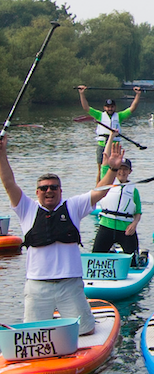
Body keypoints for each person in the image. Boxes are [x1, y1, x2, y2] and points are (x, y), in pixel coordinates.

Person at [0, 136, 123, 335]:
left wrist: (113, 169)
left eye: (53, 187)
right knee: (33, 333)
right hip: (37, 286)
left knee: (85, 331)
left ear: (60, 190)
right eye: (44, 188)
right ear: (37, 192)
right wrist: (2, 153)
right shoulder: (26, 209)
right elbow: (8, 182)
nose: (49, 191)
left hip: (70, 284)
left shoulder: (73, 206)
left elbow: (100, 192)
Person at [78, 85, 142, 182]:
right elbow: (86, 108)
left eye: (112, 107)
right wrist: (81, 93)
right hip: (102, 145)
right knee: (100, 170)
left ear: (114, 107)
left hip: (115, 146)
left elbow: (132, 108)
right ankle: (98, 189)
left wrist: (137, 95)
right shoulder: (99, 115)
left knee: (115, 169)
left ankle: (113, 187)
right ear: (104, 107)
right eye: (108, 107)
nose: (110, 109)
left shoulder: (119, 116)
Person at [90, 154, 144, 264]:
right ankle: (110, 253)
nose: (122, 172)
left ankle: (141, 257)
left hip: (125, 230)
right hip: (106, 227)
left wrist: (134, 224)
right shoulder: (108, 184)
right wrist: (111, 137)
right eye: (120, 169)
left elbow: (138, 213)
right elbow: (104, 165)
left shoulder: (134, 190)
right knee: (95, 259)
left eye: (125, 169)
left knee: (133, 262)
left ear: (130, 171)